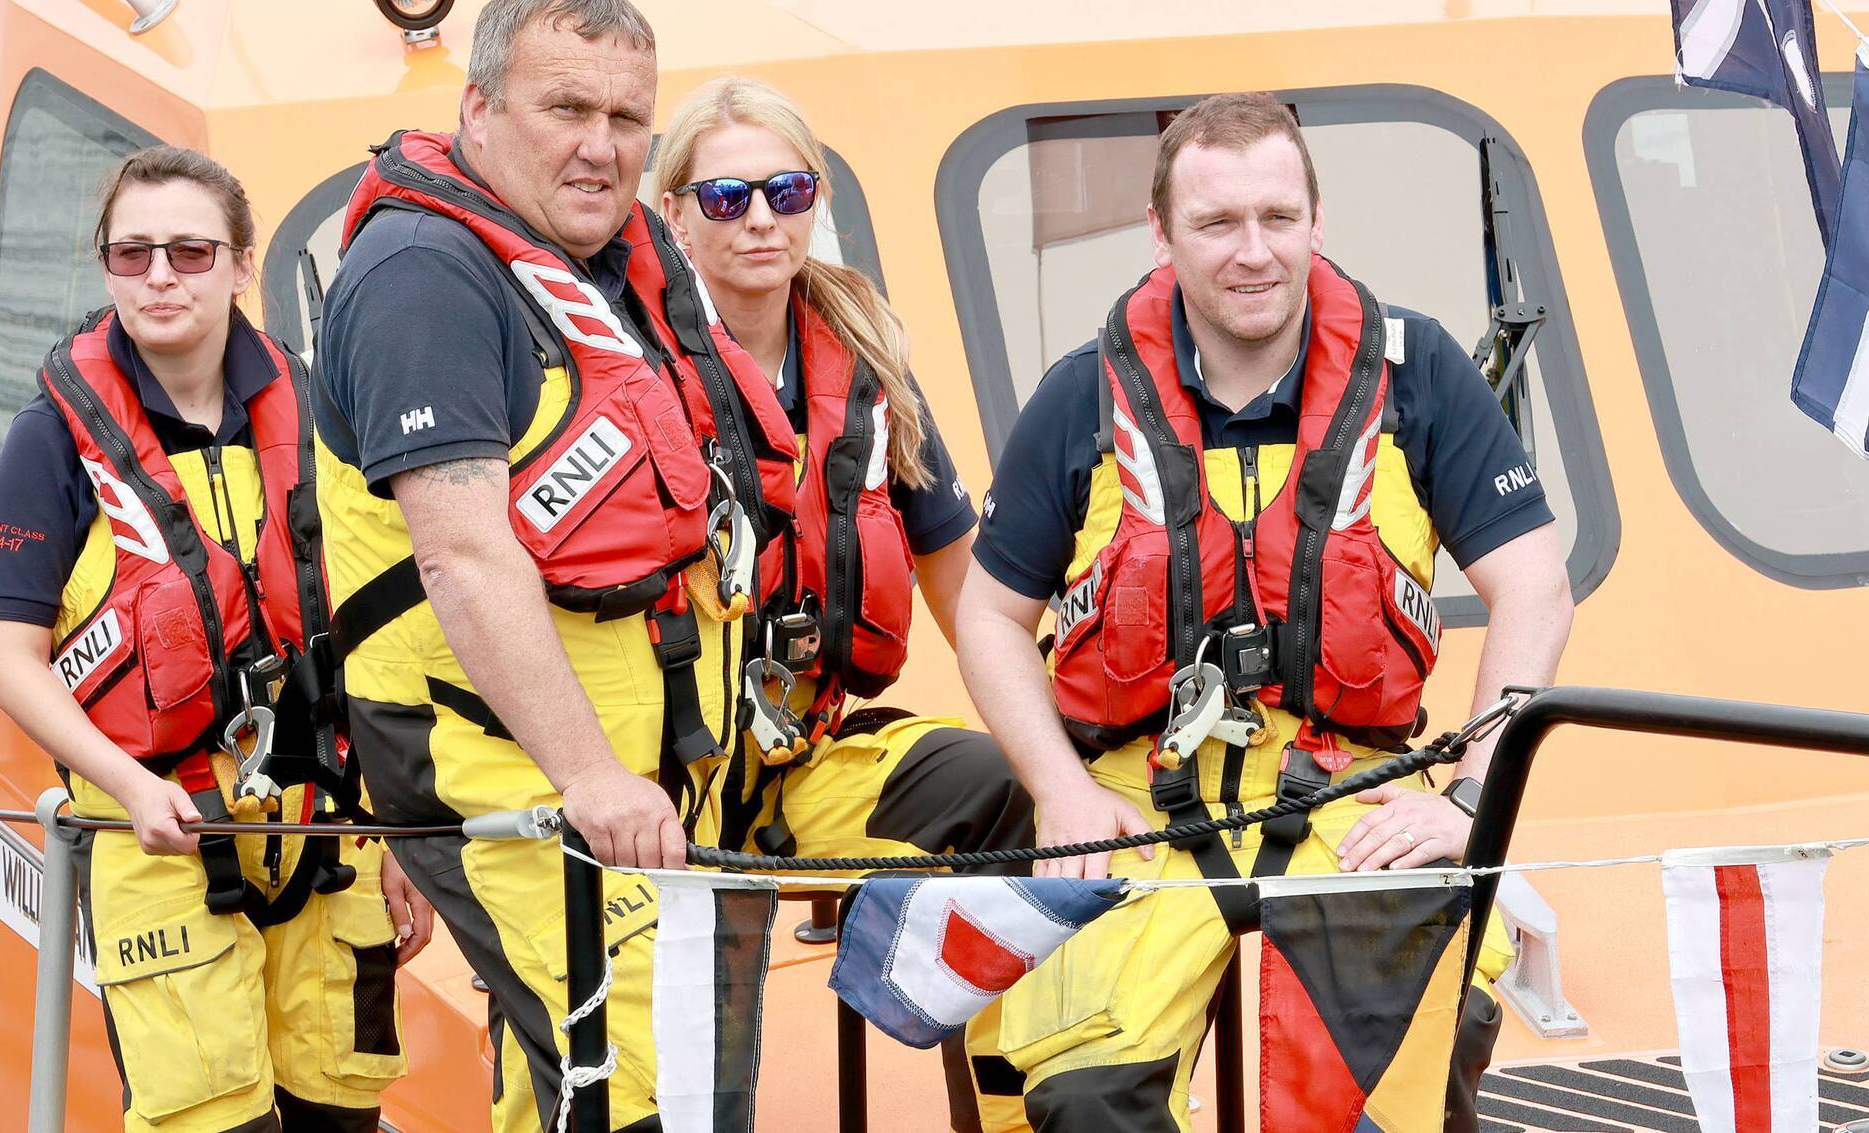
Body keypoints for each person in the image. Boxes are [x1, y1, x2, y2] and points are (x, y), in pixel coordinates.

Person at [955, 92, 1574, 1131]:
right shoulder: (1080, 395)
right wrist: (1058, 792)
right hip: (1135, 799)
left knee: (1404, 1076)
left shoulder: (1415, 374)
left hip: (1353, 792)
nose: (1253, 253)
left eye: (1277, 219)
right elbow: (986, 615)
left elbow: (1533, 583)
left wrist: (1468, 795)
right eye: (1215, 223)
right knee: (1074, 1093)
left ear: (1315, 219)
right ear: (1160, 234)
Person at [311, 3, 804, 1130]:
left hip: (648, 759)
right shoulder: (423, 278)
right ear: (478, 110)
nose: (601, 144)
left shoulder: (598, 263)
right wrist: (589, 778)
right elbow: (466, 555)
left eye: (628, 116)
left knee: (610, 1086)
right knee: (637, 1089)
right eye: (566, 108)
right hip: (498, 753)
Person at [0, 145, 430, 1133]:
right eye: (131, 253)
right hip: (161, 829)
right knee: (213, 1121)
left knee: (340, 1114)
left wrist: (402, 825)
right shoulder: (50, 440)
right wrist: (132, 784)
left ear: (238, 264)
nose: (159, 276)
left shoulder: (324, 411)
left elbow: (387, 626)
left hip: (330, 827)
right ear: (105, 267)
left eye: (188, 250)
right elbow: (10, 651)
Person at [653, 76, 1037, 1132]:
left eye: (786, 188)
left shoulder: (867, 372)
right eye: (726, 196)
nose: (761, 218)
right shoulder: (622, 371)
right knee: (685, 1061)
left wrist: (1066, 756)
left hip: (801, 762)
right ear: (673, 211)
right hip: (659, 784)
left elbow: (960, 579)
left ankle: (1016, 1115)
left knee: (1016, 796)